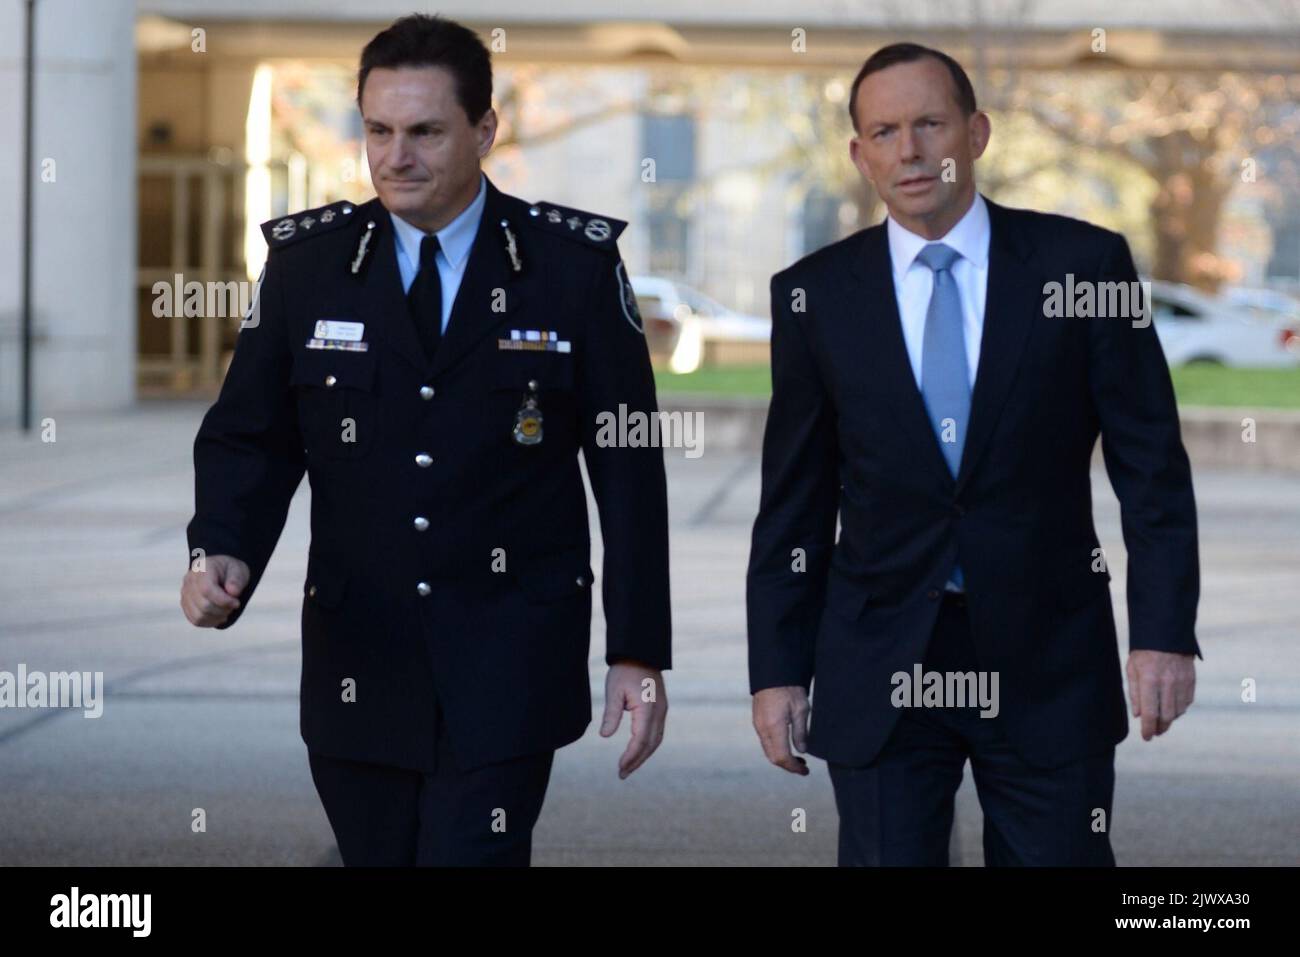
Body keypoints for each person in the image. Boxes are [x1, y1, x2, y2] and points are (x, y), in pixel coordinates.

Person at [180, 13, 671, 866]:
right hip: (358, 656)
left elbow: (628, 469)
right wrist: (220, 547)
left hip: (511, 656)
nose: (395, 156)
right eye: (377, 130)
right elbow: (251, 437)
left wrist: (635, 648)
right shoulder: (310, 265)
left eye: (425, 132)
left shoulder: (572, 268)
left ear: (485, 130)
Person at [747, 42, 1201, 866]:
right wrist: (776, 670)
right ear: (859, 155)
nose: (909, 151)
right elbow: (795, 502)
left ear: (977, 133)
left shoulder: (1085, 266)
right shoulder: (813, 296)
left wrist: (1163, 632)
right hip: (880, 659)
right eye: (883, 132)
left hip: (1048, 659)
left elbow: (1153, 469)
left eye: (929, 123)